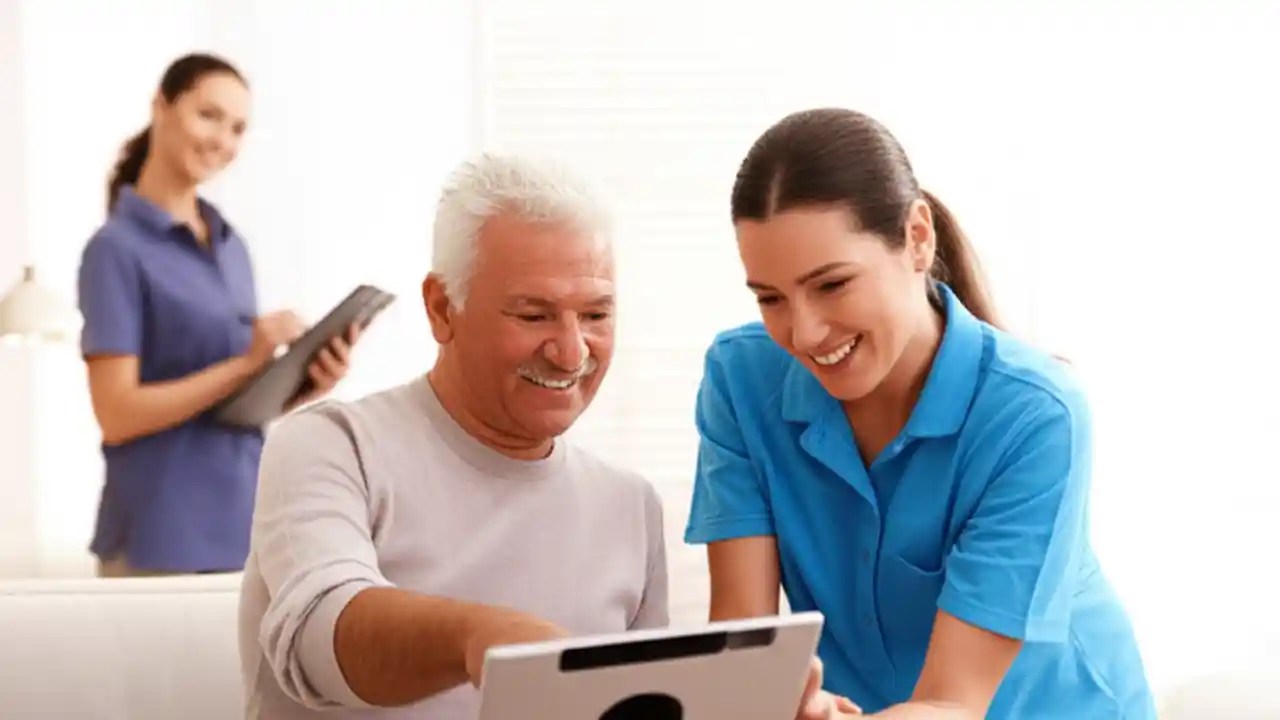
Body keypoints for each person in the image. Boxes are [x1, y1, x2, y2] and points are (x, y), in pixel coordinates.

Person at [685, 108, 1156, 719]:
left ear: (917, 237)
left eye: (832, 285)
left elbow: (951, 703)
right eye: (770, 298)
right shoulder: (742, 380)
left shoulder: (1036, 415)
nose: (803, 333)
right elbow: (744, 654)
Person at [237, 152, 669, 719]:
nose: (571, 353)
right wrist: (479, 638)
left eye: (595, 315)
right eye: (533, 315)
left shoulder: (629, 505)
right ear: (442, 309)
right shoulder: (332, 446)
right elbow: (316, 639)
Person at [76, 53, 357, 577]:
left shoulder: (230, 245)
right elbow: (117, 414)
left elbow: (227, 409)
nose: (222, 140)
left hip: (245, 529)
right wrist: (248, 362)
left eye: (237, 128)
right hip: (160, 537)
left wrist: (301, 383)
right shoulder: (114, 250)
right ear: (161, 106)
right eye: (208, 115)